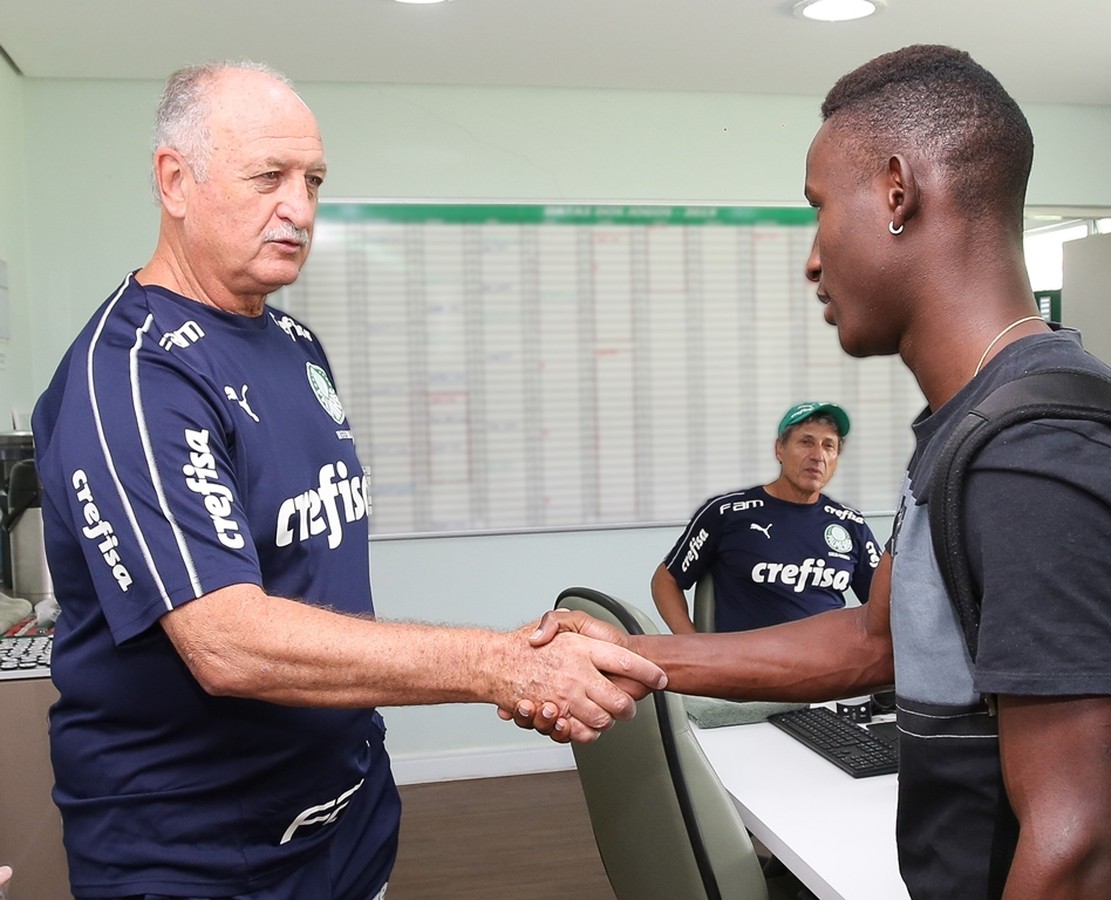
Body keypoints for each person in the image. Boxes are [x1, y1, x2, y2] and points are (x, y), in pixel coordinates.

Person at [514, 44, 1111, 899]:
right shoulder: (971, 427)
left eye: (819, 208)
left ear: (897, 193)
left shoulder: (1037, 459)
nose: (811, 258)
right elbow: (873, 642)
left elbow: (1077, 850)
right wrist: (637, 654)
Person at [31, 61, 665, 900]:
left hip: (346, 821)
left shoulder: (294, 343)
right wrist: (500, 665)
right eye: (268, 177)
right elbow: (226, 641)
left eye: (314, 179)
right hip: (195, 855)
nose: (299, 206)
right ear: (174, 180)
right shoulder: (134, 377)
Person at [651, 402, 880, 633]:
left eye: (828, 446)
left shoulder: (851, 524)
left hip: (829, 662)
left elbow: (886, 604)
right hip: (750, 663)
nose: (818, 456)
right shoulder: (727, 512)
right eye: (806, 442)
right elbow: (666, 580)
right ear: (779, 449)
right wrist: (693, 645)